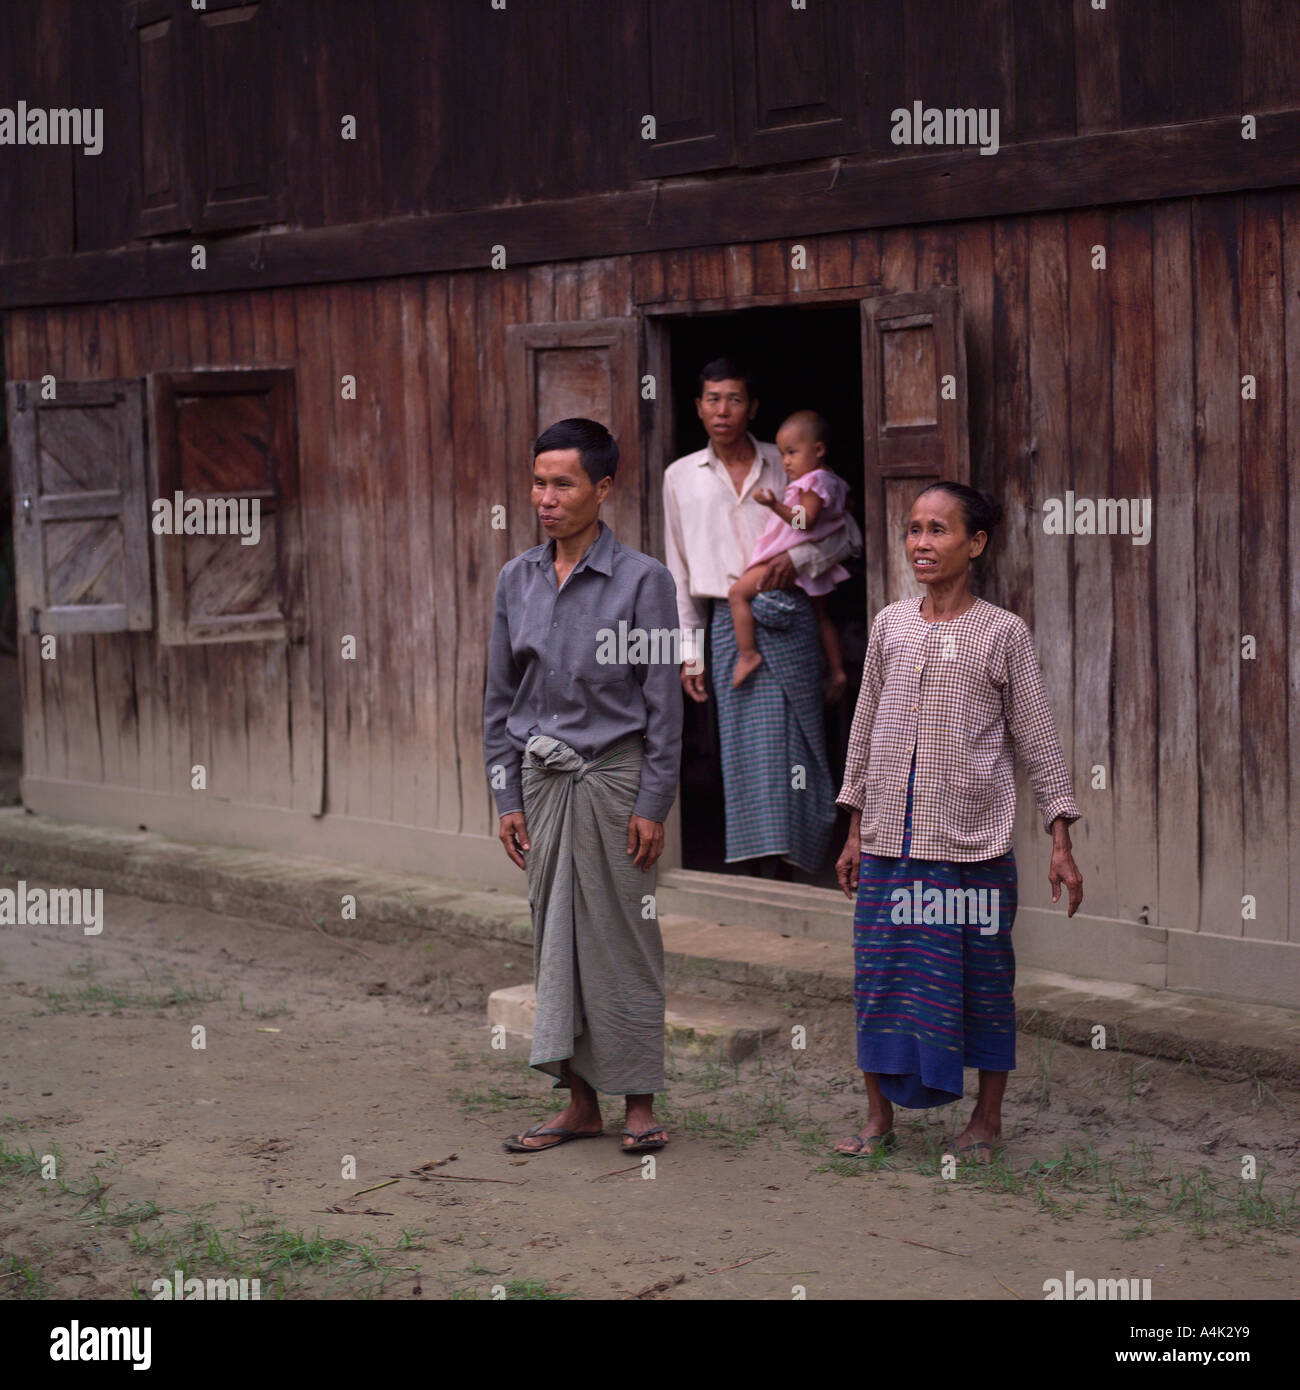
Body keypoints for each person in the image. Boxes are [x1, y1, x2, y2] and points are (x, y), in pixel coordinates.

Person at [832, 481, 1083, 1163]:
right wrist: (854, 826)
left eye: (939, 530)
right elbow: (865, 725)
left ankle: (987, 1118)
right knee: (880, 978)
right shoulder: (890, 624)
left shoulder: (1003, 632)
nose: (921, 543)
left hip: (969, 848)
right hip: (889, 841)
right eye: (914, 529)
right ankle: (878, 1117)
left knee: (980, 981)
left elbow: (1037, 738)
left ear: (975, 544)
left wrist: (1061, 838)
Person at [483, 417, 683, 1155]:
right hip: (540, 784)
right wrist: (505, 797)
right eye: (538, 482)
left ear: (603, 488)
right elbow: (498, 702)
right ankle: (577, 1102)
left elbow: (663, 702)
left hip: (614, 782)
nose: (546, 497)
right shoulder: (517, 580)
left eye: (563, 483)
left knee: (624, 939)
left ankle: (638, 1103)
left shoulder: (643, 581)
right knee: (555, 940)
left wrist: (653, 803)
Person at [663, 360, 859, 876]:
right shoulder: (680, 476)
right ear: (698, 407)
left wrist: (794, 562)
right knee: (749, 749)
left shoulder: (788, 460)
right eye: (711, 399)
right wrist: (691, 653)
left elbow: (848, 535)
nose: (721, 410)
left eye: (733, 399)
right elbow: (677, 571)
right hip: (730, 621)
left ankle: (808, 857)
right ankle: (763, 865)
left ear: (751, 408)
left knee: (801, 737)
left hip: (793, 611)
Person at [729, 409, 850, 699]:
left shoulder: (814, 481)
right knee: (823, 617)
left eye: (793, 452)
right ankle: (837, 670)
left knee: (737, 594)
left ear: (819, 449)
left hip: (791, 558)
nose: (785, 461)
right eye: (783, 453)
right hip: (810, 560)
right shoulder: (828, 479)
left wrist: (773, 505)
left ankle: (747, 654)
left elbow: (804, 520)